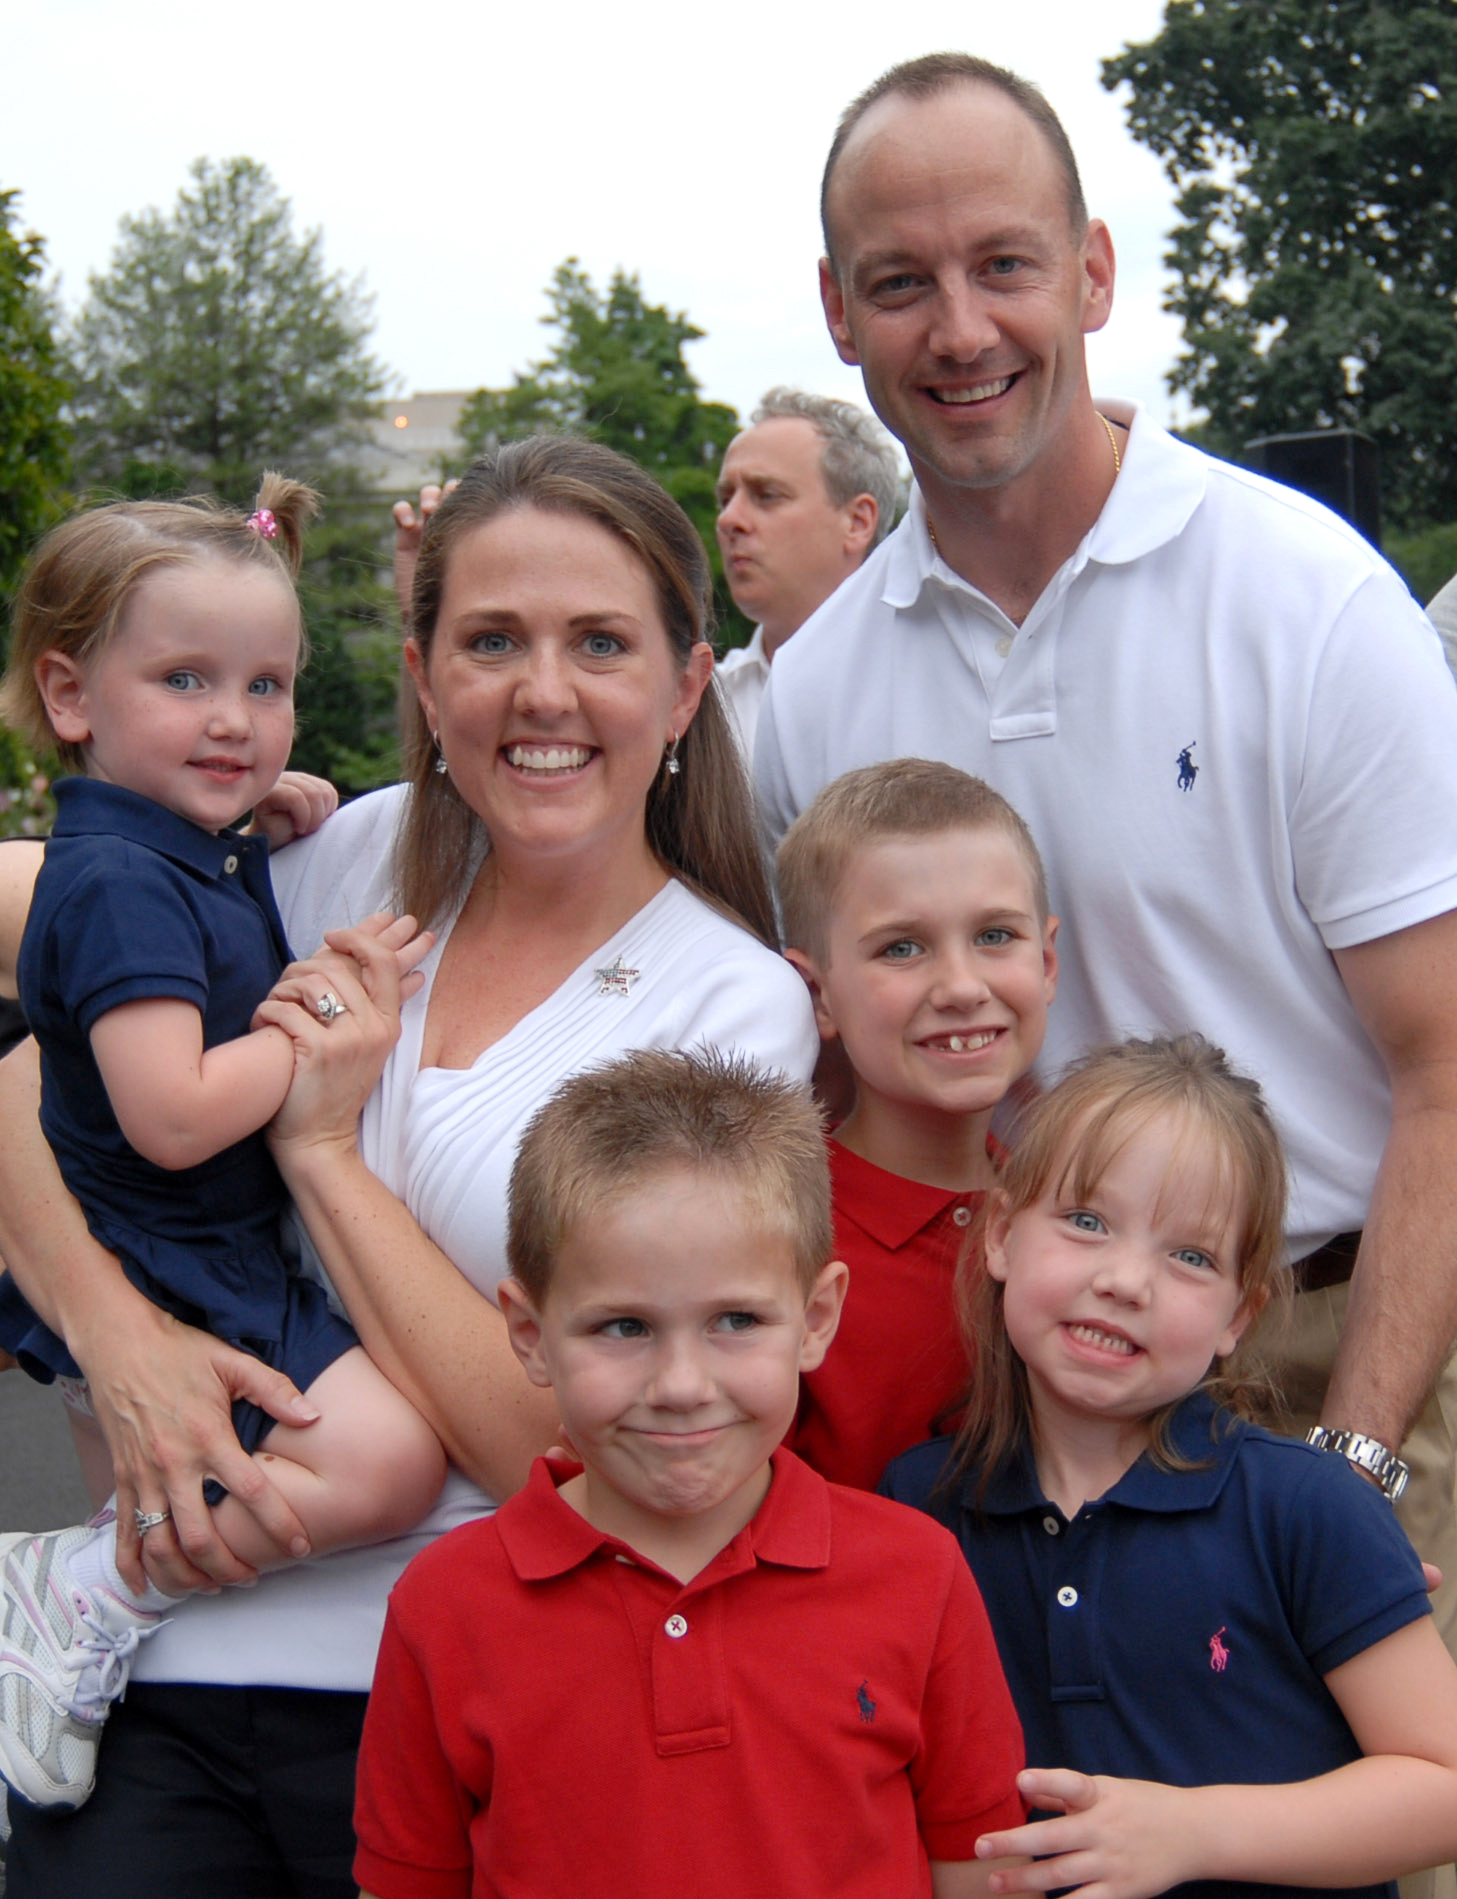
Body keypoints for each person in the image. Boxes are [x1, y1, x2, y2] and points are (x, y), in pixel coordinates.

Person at [0, 436, 817, 1899]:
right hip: (151, 1644)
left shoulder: (730, 1002)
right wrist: (116, 1336)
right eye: (491, 640)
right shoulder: (321, 860)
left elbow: (566, 1448)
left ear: (687, 688)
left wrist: (319, 1148)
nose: (543, 691)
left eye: (600, 643)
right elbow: (23, 1067)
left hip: (459, 1676)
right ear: (428, 681)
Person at [754, 51, 1457, 1664]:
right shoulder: (815, 685)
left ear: (1090, 272)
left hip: (1330, 1345)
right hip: (1003, 1390)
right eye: (898, 282)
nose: (959, 328)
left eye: (1002, 264)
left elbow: (1442, 1067)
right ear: (835, 309)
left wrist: (1346, 1465)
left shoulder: (1302, 601)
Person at [0, 480, 448, 1815]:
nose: (234, 720)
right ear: (72, 694)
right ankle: (75, 1587)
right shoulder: (124, 884)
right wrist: (317, 1025)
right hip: (173, 1248)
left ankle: (86, 1612)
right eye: (187, 679)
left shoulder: (173, 842)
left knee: (173, 1486)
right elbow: (173, 1107)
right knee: (384, 1455)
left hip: (181, 1240)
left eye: (266, 687)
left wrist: (260, 806)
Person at [354, 1048, 1028, 1899]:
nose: (680, 1386)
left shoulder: (917, 1575)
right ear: (529, 1335)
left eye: (735, 1320)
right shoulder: (444, 1607)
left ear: (817, 1318)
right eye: (624, 1326)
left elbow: (981, 1874)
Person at [885, 1036, 1457, 1899]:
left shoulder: (1306, 1507)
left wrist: (1192, 1832)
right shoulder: (918, 1506)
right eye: (1086, 1221)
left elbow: (1441, 1779)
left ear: (1241, 1312)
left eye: (1189, 1256)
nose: (1125, 1280)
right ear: (1000, 1233)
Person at [775, 759, 1056, 1490]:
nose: (963, 987)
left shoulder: (1080, 1217)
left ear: (1048, 958)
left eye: (995, 935)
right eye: (901, 947)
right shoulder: (774, 1241)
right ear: (817, 993)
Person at [713, 388, 900, 758]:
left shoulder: (927, 685)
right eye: (725, 498)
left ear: (857, 522)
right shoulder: (703, 706)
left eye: (766, 494)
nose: (728, 519)